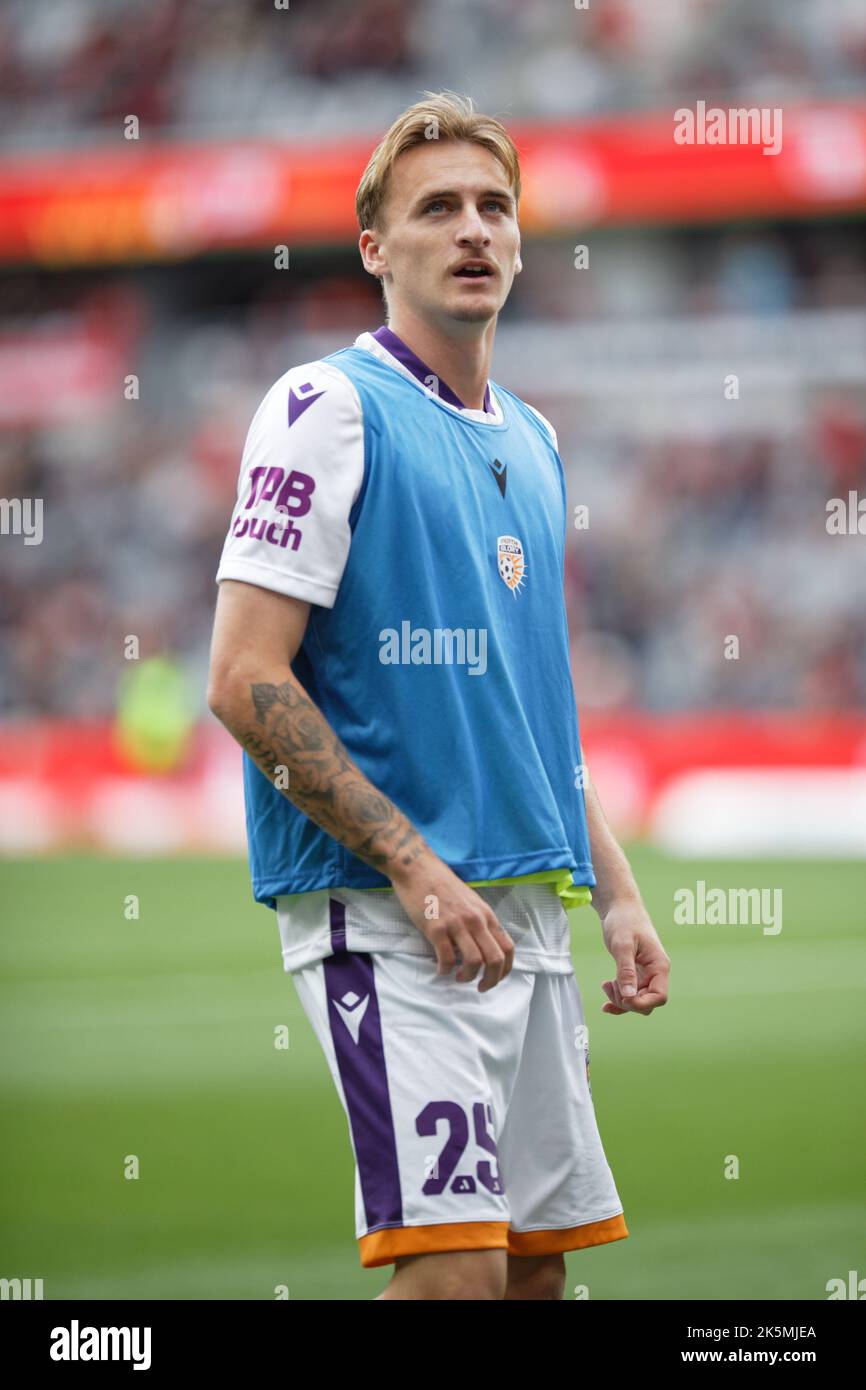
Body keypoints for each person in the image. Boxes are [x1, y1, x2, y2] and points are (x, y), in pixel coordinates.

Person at [207, 90, 670, 1301]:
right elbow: (243, 679)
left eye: (492, 206)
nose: (472, 229)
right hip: (390, 912)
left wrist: (610, 890)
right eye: (436, 209)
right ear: (375, 248)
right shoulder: (326, 409)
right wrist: (413, 867)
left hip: (526, 914)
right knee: (453, 1276)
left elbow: (536, 703)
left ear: (519, 241)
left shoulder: (533, 435)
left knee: (530, 1279)